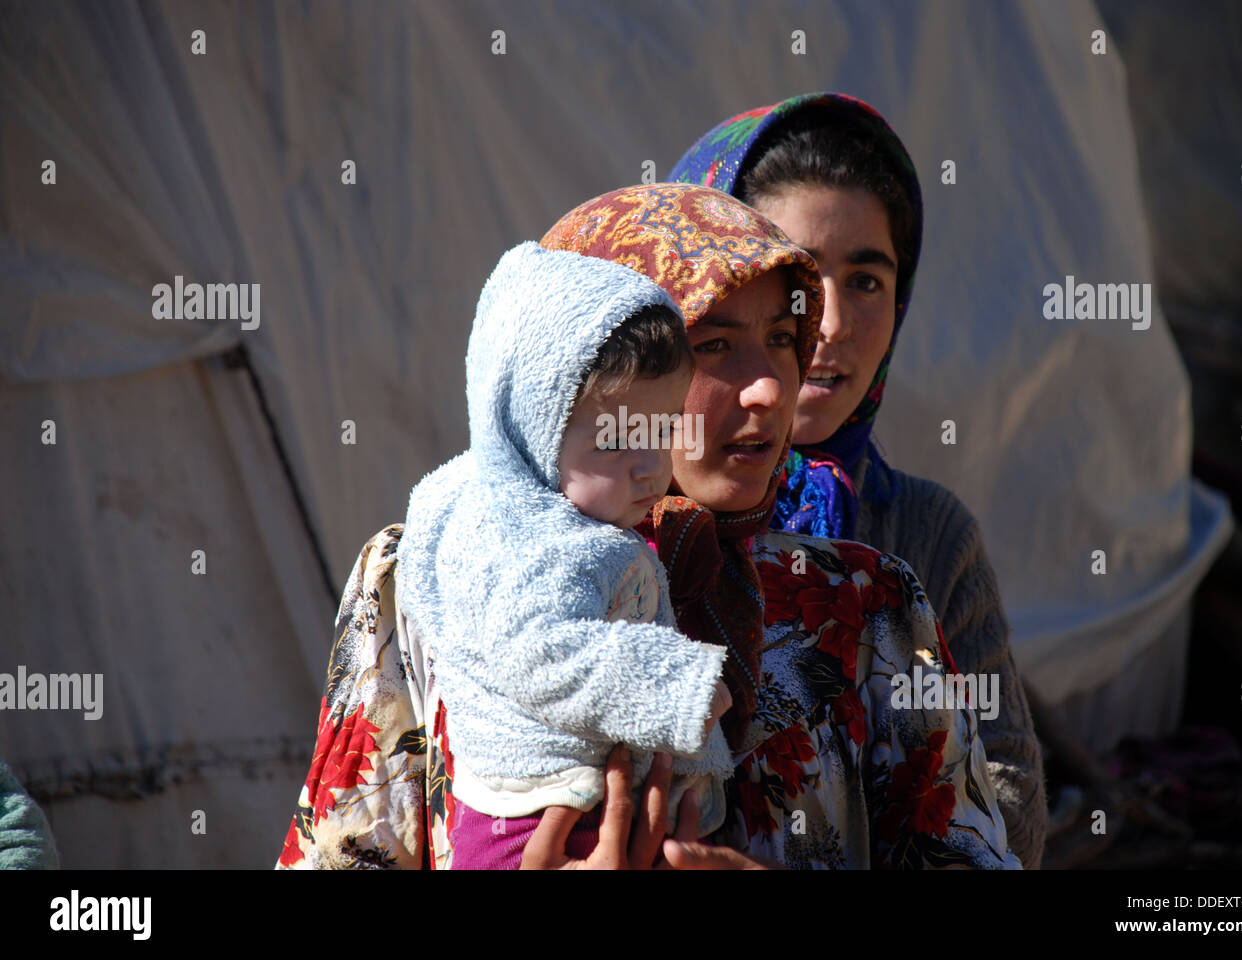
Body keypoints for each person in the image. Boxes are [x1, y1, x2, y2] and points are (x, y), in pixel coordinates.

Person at [277, 183, 1020, 869]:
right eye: (713, 345)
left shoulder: (866, 607)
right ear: (567, 378)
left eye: (783, 339)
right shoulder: (427, 578)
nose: (767, 388)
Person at [669, 93, 1047, 868]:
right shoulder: (603, 519)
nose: (831, 323)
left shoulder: (923, 537)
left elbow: (1009, 808)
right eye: (794, 280)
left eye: (867, 280)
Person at [399, 241, 733, 870]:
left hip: (593, 811)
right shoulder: (511, 538)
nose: (648, 468)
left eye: (661, 431)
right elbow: (538, 648)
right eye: (615, 438)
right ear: (533, 424)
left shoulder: (583, 527)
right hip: (531, 824)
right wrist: (679, 685)